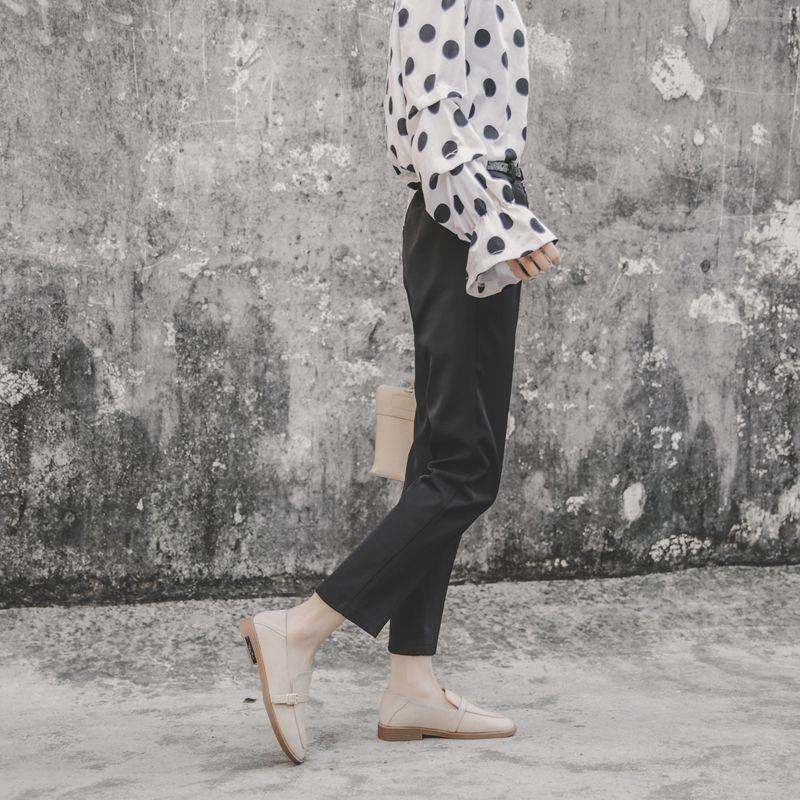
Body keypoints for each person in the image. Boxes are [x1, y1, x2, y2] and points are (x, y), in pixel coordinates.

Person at [239, 0, 561, 764]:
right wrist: (498, 223)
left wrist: (499, 215)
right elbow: (437, 130)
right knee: (464, 469)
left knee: (441, 459)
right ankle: (298, 631)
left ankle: (411, 684)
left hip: (473, 219)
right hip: (467, 224)